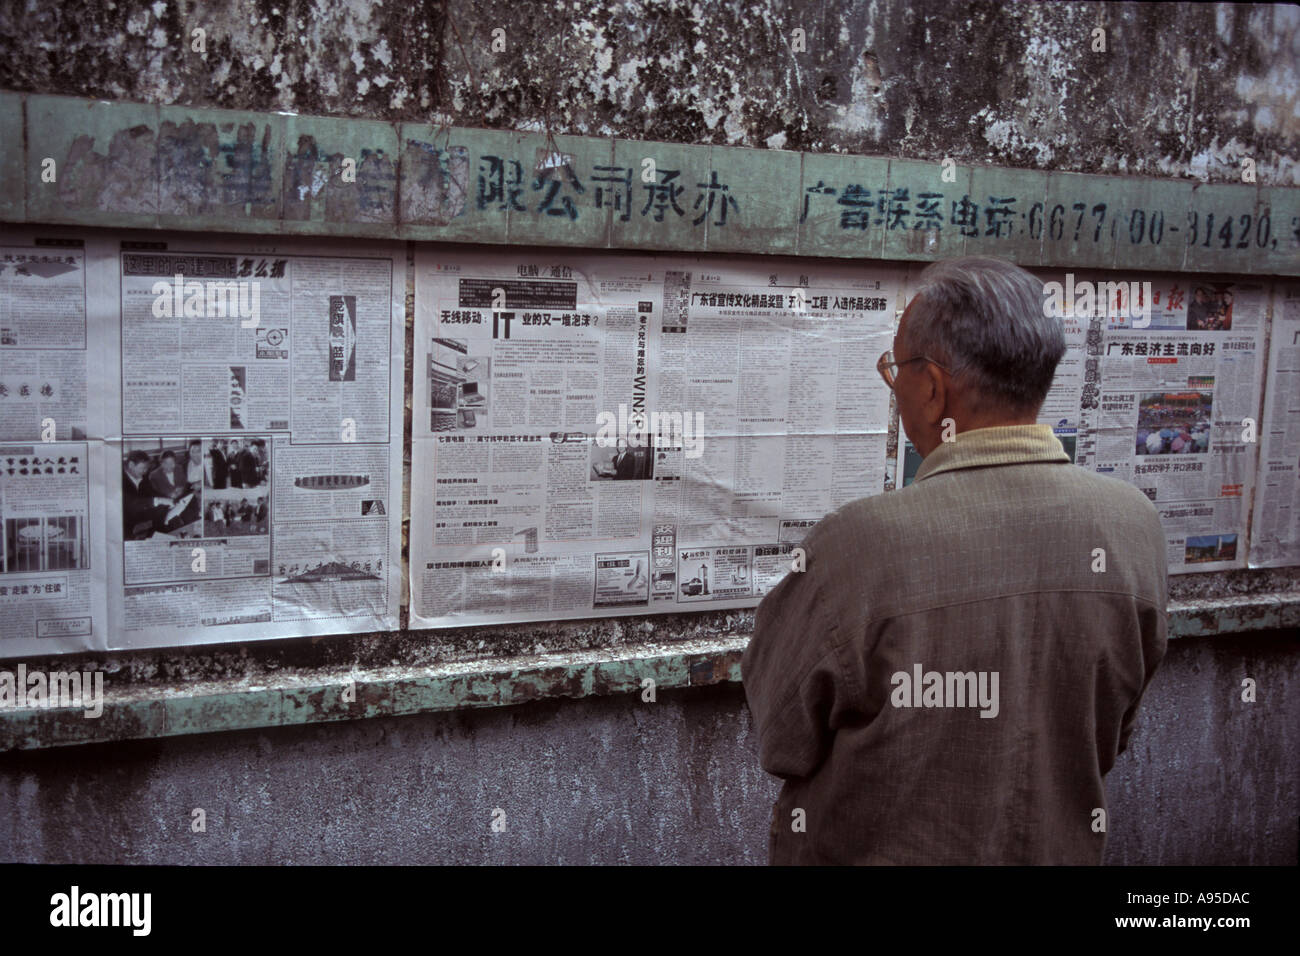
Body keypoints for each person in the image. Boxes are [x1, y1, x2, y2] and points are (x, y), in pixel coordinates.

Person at [743, 256, 1168, 865]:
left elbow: (781, 735)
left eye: (896, 370)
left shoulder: (858, 544)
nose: (894, 389)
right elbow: (1114, 726)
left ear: (934, 386)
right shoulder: (1135, 525)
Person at [122, 450, 172, 539]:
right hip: (125, 517)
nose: (145, 471)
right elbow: (131, 503)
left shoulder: (142, 475)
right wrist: (158, 500)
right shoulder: (120, 479)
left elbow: (151, 492)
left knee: (163, 508)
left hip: (141, 509)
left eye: (146, 468)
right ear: (131, 465)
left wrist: (167, 498)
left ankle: (157, 536)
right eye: (143, 468)